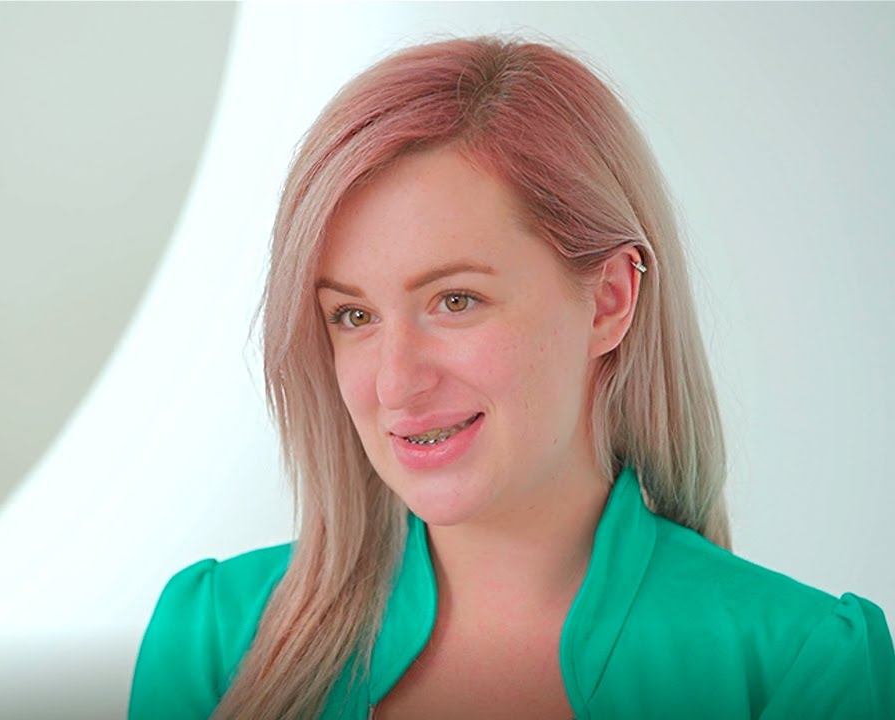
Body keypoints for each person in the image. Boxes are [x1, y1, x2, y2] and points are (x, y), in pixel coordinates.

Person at [127, 35, 895, 719]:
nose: (395, 384)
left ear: (610, 300)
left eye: (455, 301)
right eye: (353, 315)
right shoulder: (216, 641)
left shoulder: (799, 667)